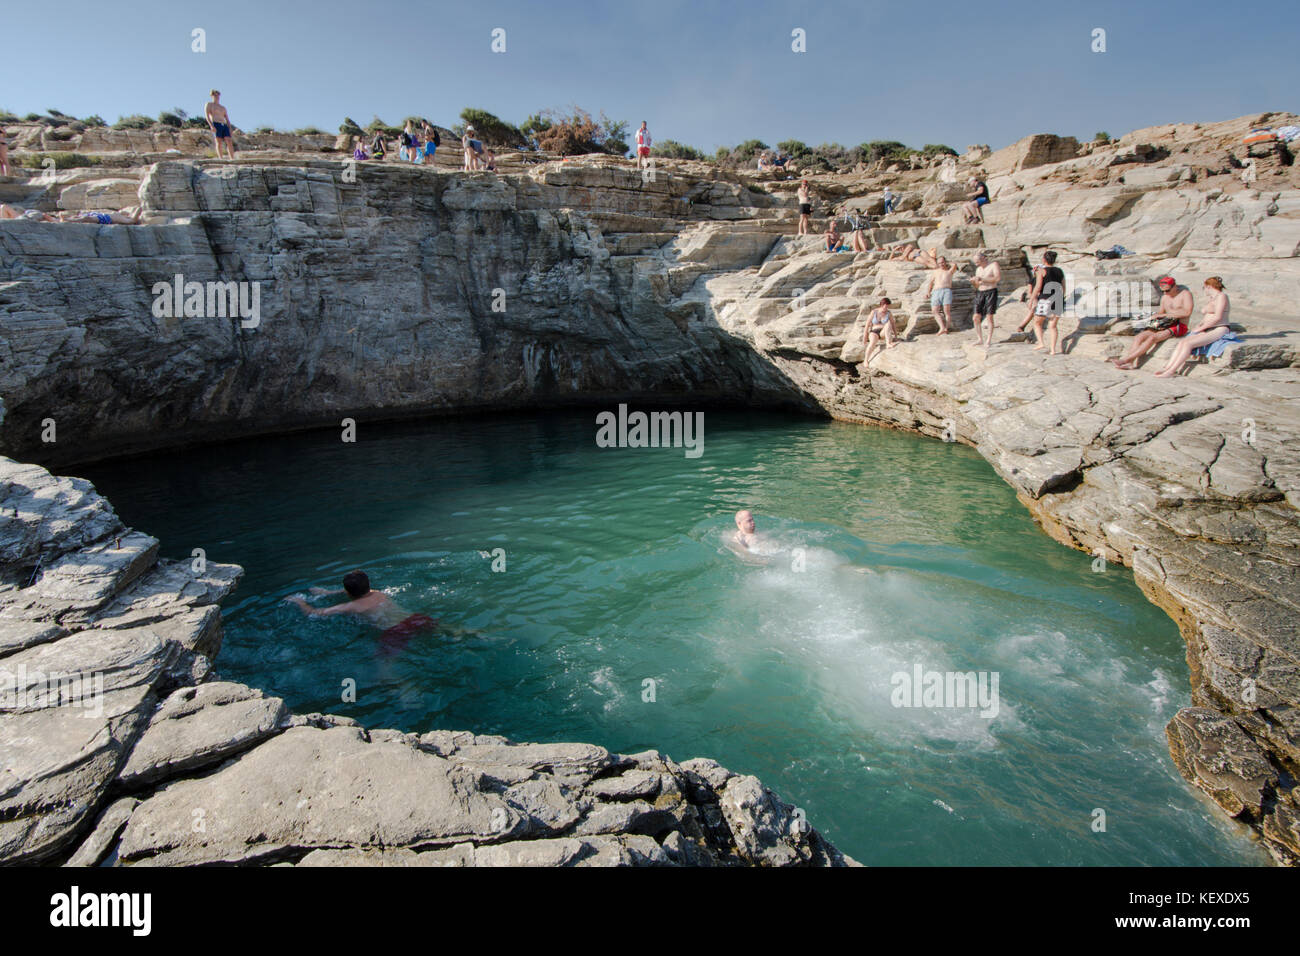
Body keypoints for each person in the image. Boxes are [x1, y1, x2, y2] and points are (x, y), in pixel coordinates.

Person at [285, 569, 438, 652]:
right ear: (368, 584)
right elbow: (353, 591)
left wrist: (299, 601)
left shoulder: (350, 606)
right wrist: (326, 592)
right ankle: (459, 631)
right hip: (412, 619)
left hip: (394, 632)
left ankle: (402, 687)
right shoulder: (378, 593)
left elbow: (313, 613)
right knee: (442, 628)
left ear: (349, 592)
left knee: (384, 669)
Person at [1109, 276, 1194, 369]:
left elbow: (1187, 312)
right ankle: (1130, 363)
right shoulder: (1165, 297)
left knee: (1152, 338)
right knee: (1139, 337)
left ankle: (1127, 360)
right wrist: (1153, 317)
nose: (1165, 293)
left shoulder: (1185, 294)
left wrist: (1166, 315)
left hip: (1179, 325)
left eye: (1168, 290)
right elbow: (1161, 313)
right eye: (1163, 291)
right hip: (1166, 323)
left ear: (1174, 286)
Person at [1154, 277, 1231, 377]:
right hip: (1207, 328)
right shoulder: (1212, 298)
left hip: (1219, 328)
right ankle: (1167, 367)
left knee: (1189, 344)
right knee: (1182, 342)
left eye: (1204, 288)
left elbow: (1217, 317)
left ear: (1208, 286)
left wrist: (1201, 328)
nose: (1204, 291)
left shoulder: (1222, 296)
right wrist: (1199, 326)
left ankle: (1171, 371)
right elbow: (1207, 316)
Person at [1022, 250, 1066, 353]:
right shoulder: (1059, 271)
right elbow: (1063, 287)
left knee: (1037, 323)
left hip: (1045, 299)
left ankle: (1041, 343)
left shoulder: (1040, 270)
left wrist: (1031, 299)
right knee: (1053, 326)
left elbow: (1038, 286)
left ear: (1043, 259)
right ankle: (1053, 350)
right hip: (1058, 299)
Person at [971, 251, 1001, 347]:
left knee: (989, 317)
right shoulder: (978, 269)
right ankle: (979, 338)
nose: (977, 264)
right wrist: (974, 282)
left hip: (991, 291)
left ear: (983, 258)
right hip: (980, 292)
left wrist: (982, 279)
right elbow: (977, 285)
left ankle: (988, 340)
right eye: (975, 262)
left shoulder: (993, 265)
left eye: (978, 261)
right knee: (976, 317)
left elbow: (997, 278)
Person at [923, 256, 957, 334]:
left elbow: (954, 264)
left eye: (942, 262)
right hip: (936, 291)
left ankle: (946, 329)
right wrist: (928, 292)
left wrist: (948, 262)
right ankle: (942, 327)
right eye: (939, 263)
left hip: (946, 291)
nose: (941, 264)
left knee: (946, 311)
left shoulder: (949, 271)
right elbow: (931, 283)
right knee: (934, 310)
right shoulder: (935, 271)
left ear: (945, 262)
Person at [204, 90, 236, 160]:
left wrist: (230, 128)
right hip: (216, 123)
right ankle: (220, 158)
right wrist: (211, 126)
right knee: (219, 141)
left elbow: (227, 119)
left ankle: (232, 158)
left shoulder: (223, 107)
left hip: (224, 124)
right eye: (215, 95)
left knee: (229, 141)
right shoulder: (209, 104)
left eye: (218, 95)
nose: (217, 97)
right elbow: (207, 116)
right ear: (212, 96)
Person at [862, 298, 897, 363]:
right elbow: (867, 324)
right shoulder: (874, 312)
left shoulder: (888, 313)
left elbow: (893, 324)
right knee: (872, 344)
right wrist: (865, 337)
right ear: (882, 305)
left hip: (883, 332)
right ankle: (866, 360)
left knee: (889, 323)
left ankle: (888, 343)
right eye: (885, 306)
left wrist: (896, 336)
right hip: (874, 332)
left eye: (887, 306)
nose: (886, 308)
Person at [59, 206, 143, 225]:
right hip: (102, 215)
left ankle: (67, 220)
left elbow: (134, 218)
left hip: (104, 218)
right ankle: (66, 219)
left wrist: (138, 209)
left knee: (86, 218)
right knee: (81, 217)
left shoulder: (128, 220)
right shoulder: (122, 216)